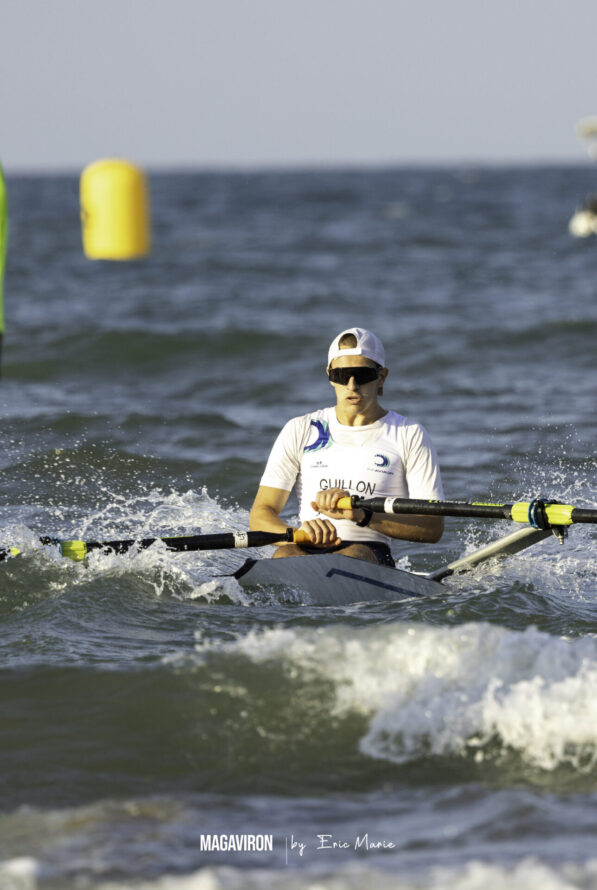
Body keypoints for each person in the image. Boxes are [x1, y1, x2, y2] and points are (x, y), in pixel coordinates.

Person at [249, 327, 444, 566]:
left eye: (361, 375)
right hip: (306, 544)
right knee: (284, 555)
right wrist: (297, 535)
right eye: (342, 375)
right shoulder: (299, 429)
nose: (351, 385)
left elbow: (433, 527)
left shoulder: (409, 434)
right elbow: (261, 514)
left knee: (351, 557)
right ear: (330, 376)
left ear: (381, 377)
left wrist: (362, 516)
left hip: (367, 551)